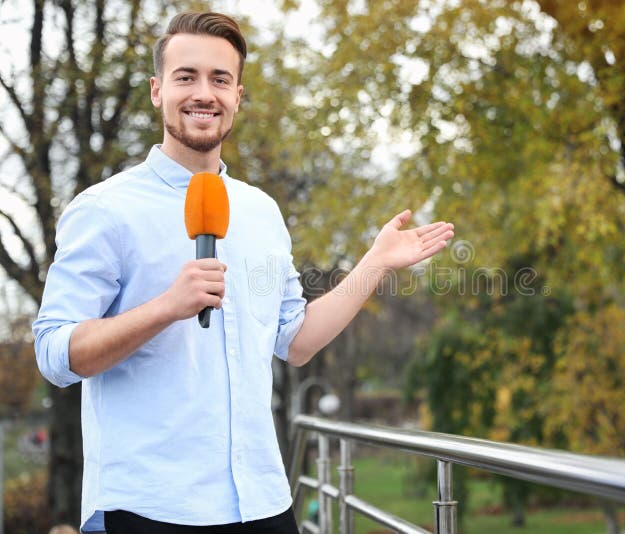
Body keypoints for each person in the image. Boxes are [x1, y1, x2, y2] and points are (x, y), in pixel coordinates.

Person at [33, 11, 454, 534]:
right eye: (186, 76)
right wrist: (167, 307)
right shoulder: (104, 210)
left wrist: (375, 263)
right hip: (148, 506)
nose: (203, 93)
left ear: (237, 96)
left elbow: (294, 341)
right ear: (156, 90)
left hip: (261, 501)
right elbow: (54, 354)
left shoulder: (262, 212)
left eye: (220, 79)